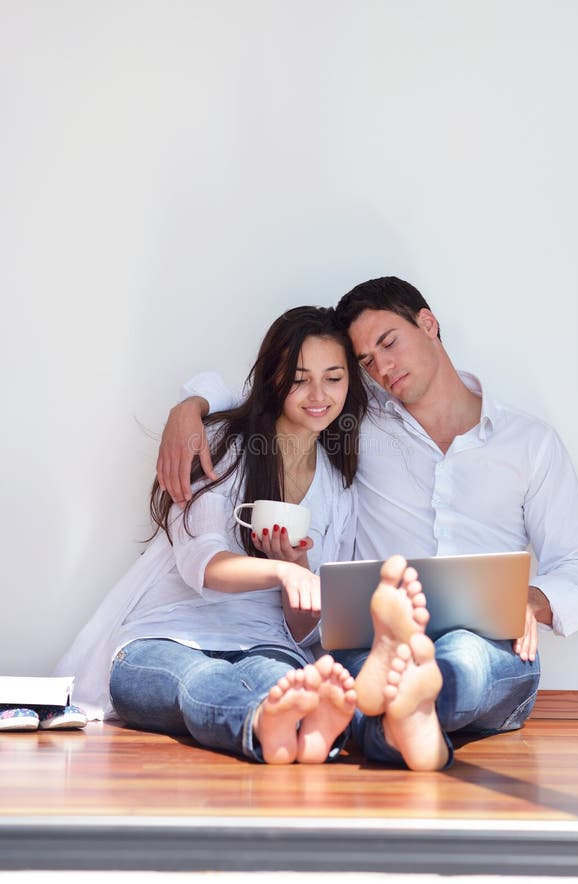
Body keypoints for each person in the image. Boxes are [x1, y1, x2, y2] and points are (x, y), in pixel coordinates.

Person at [157, 276, 578, 752]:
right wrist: (189, 409)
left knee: (461, 658)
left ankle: (403, 702)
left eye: (389, 343)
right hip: (374, 645)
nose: (382, 368)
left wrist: (530, 601)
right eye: (366, 361)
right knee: (352, 678)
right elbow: (273, 391)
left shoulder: (530, 443)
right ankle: (405, 729)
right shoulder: (356, 424)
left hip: (488, 643)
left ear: (427, 323)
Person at [55, 304, 451, 769]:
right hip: (164, 635)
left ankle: (333, 724)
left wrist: (299, 569)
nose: (318, 395)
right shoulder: (223, 444)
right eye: (299, 379)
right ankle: (268, 722)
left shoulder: (338, 487)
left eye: (333, 378)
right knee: (195, 680)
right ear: (273, 379)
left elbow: (306, 629)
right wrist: (281, 572)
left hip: (266, 641)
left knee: (288, 683)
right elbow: (202, 562)